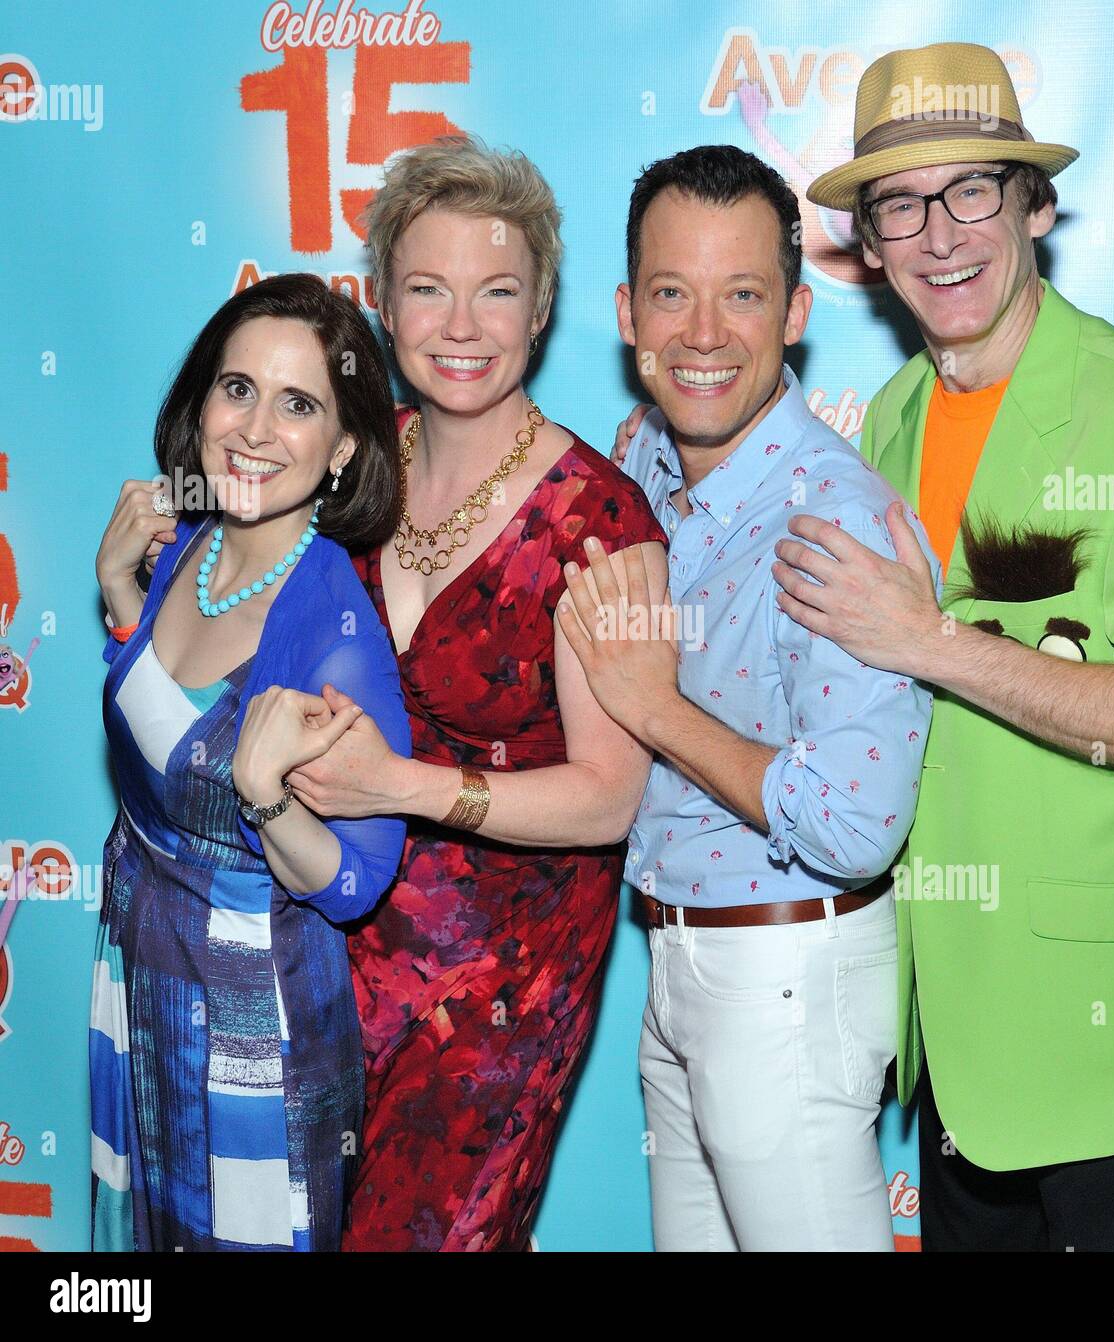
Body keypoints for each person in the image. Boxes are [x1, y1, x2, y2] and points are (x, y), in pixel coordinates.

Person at [767, 41, 1114, 1250]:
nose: (939, 235)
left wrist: (932, 640)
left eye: (970, 193)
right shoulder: (891, 419)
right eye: (901, 202)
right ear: (870, 243)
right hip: (952, 1034)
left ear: (1034, 206)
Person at [282, 135, 669, 1251]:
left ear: (540, 307)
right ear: (383, 306)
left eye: (495, 291)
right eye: (428, 290)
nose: (461, 327)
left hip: (499, 1001)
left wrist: (397, 783)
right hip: (328, 956)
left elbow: (607, 798)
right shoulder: (350, 471)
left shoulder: (601, 524)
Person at [558, 145, 938, 1251]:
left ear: (796, 312)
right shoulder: (644, 466)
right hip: (678, 966)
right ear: (628, 312)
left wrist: (656, 706)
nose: (704, 333)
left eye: (742, 294)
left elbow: (859, 823)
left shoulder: (831, 519)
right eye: (673, 293)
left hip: (785, 974)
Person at [91, 273, 411, 1251]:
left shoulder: (337, 631)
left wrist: (269, 802)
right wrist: (118, 600)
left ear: (343, 446)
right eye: (238, 389)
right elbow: (165, 735)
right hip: (138, 977)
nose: (255, 428)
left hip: (250, 1026)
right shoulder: (181, 545)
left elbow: (357, 880)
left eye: (299, 402)